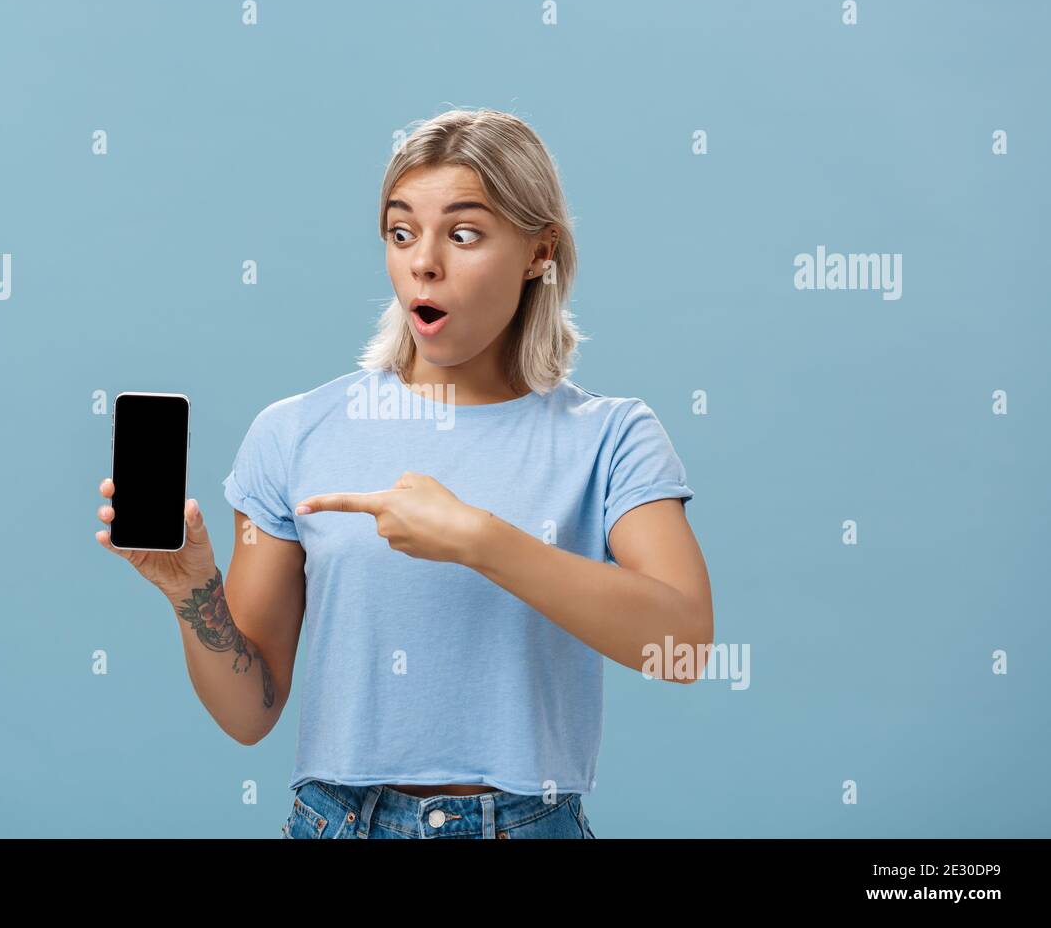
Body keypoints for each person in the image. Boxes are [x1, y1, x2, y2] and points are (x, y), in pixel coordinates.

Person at [95, 107, 713, 839]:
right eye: (400, 232)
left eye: (463, 233)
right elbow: (250, 711)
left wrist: (479, 539)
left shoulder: (610, 438)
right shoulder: (293, 433)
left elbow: (685, 645)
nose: (423, 261)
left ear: (539, 252)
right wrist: (193, 596)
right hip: (337, 821)